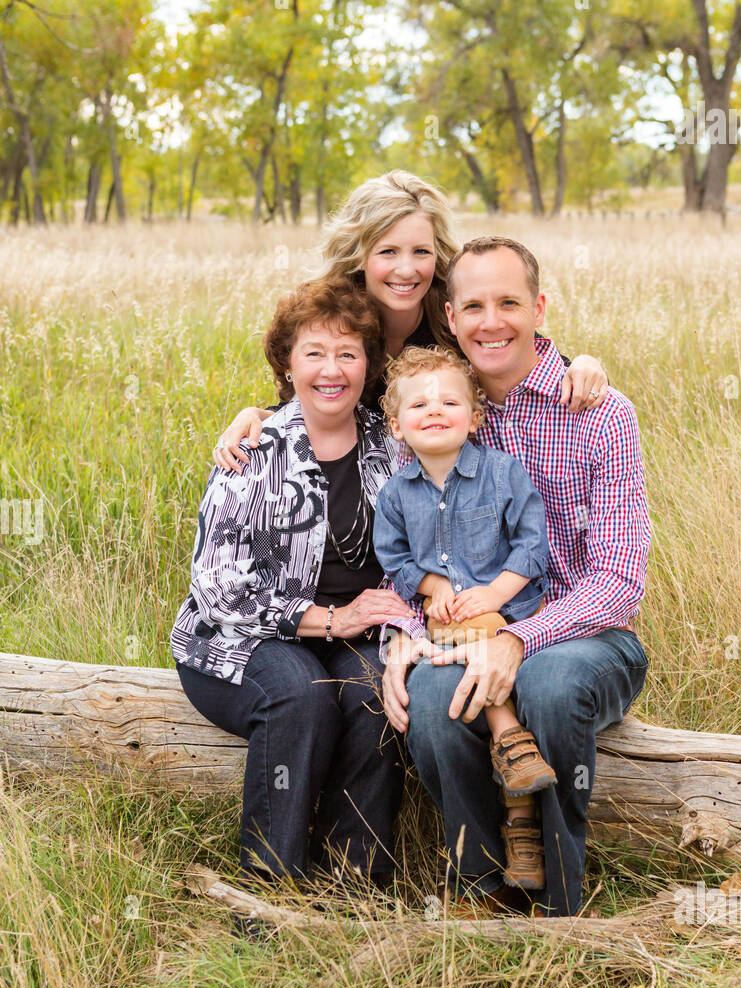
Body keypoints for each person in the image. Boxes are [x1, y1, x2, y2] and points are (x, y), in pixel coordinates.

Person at [381, 236, 651, 918]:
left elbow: (619, 581)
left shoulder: (599, 411)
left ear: (539, 307)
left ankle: (560, 902)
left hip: (589, 635)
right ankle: (483, 889)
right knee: (438, 702)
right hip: (470, 628)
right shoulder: (444, 410)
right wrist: (406, 636)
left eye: (508, 303)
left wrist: (522, 638)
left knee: (549, 684)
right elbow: (410, 544)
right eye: (473, 306)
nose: (491, 321)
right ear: (451, 316)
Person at [170, 278, 416, 930]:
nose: (331, 370)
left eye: (348, 353)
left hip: (357, 638)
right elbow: (220, 588)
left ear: (368, 362)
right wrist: (331, 619)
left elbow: (426, 555)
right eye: (314, 353)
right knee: (303, 692)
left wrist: (402, 637)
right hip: (241, 641)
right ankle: (264, 900)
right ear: (286, 364)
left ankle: (352, 894)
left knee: (371, 691)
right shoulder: (254, 449)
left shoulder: (393, 447)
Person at [210, 170, 610, 475]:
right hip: (369, 489)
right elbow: (314, 397)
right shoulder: (336, 318)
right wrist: (260, 415)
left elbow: (520, 351)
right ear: (360, 255)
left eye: (420, 251)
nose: (406, 269)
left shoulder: (452, 312)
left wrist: (583, 363)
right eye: (387, 251)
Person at [373, 345, 556, 892]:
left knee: (484, 636)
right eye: (419, 404)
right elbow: (396, 560)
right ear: (398, 427)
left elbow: (531, 547)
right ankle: (513, 781)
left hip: (512, 614)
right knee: (456, 658)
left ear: (474, 418)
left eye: (449, 401)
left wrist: (489, 594)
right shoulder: (395, 494)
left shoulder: (502, 473)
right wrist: (436, 588)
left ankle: (514, 771)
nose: (434, 410)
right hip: (445, 621)